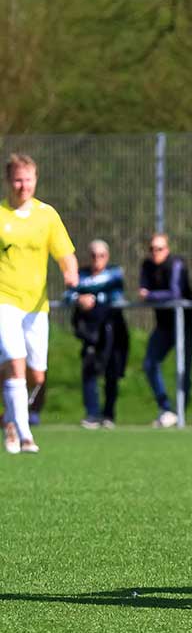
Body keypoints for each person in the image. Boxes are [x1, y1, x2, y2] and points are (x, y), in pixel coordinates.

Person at [0, 154, 77, 453]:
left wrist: (71, 274)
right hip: (5, 300)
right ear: (9, 181)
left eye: (28, 180)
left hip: (36, 306)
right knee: (15, 362)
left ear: (36, 180)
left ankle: (9, 414)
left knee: (36, 375)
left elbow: (65, 253)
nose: (23, 186)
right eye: (18, 180)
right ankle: (23, 433)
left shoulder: (47, 215)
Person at [66, 240, 128, 429]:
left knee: (112, 371)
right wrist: (79, 298)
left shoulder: (114, 273)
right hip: (90, 331)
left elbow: (115, 295)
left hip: (112, 329)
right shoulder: (82, 275)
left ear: (107, 257)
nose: (97, 259)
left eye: (101, 255)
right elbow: (68, 294)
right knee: (90, 370)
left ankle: (108, 414)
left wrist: (93, 295)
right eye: (93, 255)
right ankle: (92, 414)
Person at [139, 233, 192, 428]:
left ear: (167, 249)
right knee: (150, 363)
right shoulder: (146, 266)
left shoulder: (176, 264)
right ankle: (166, 408)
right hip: (164, 325)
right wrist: (148, 295)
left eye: (160, 249)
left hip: (185, 324)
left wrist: (151, 295)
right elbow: (141, 291)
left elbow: (175, 293)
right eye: (152, 249)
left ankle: (179, 413)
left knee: (183, 369)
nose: (155, 253)